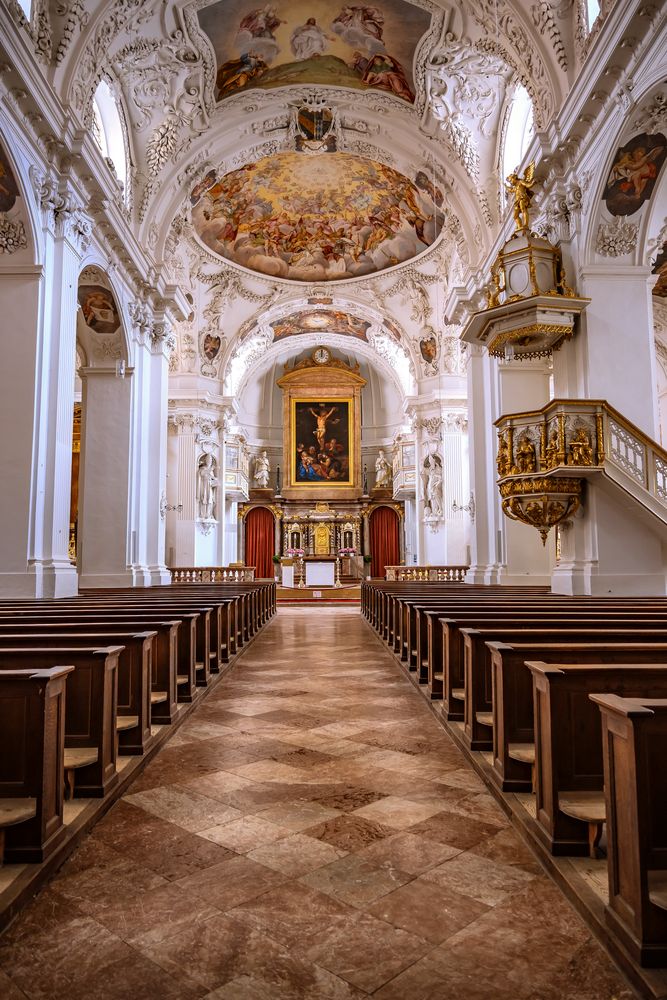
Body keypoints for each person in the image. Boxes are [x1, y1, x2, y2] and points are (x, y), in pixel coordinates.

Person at [197, 453, 217, 520]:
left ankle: (208, 515)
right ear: (206, 460)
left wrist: (214, 479)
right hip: (204, 485)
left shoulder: (211, 470)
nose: (209, 461)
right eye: (208, 459)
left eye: (210, 460)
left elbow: (212, 477)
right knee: (204, 499)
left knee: (210, 500)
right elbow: (202, 474)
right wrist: (210, 470)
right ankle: (203, 514)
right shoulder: (203, 468)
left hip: (210, 486)